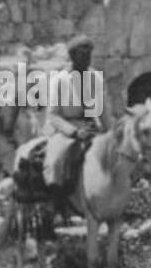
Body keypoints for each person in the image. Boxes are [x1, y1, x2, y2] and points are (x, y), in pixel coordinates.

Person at [41, 34, 110, 215]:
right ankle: (57, 204)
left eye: (89, 55)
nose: (87, 59)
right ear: (73, 56)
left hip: (89, 126)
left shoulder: (96, 78)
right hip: (65, 128)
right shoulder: (60, 80)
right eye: (82, 55)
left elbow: (103, 111)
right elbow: (53, 115)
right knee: (56, 159)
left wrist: (110, 133)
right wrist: (74, 132)